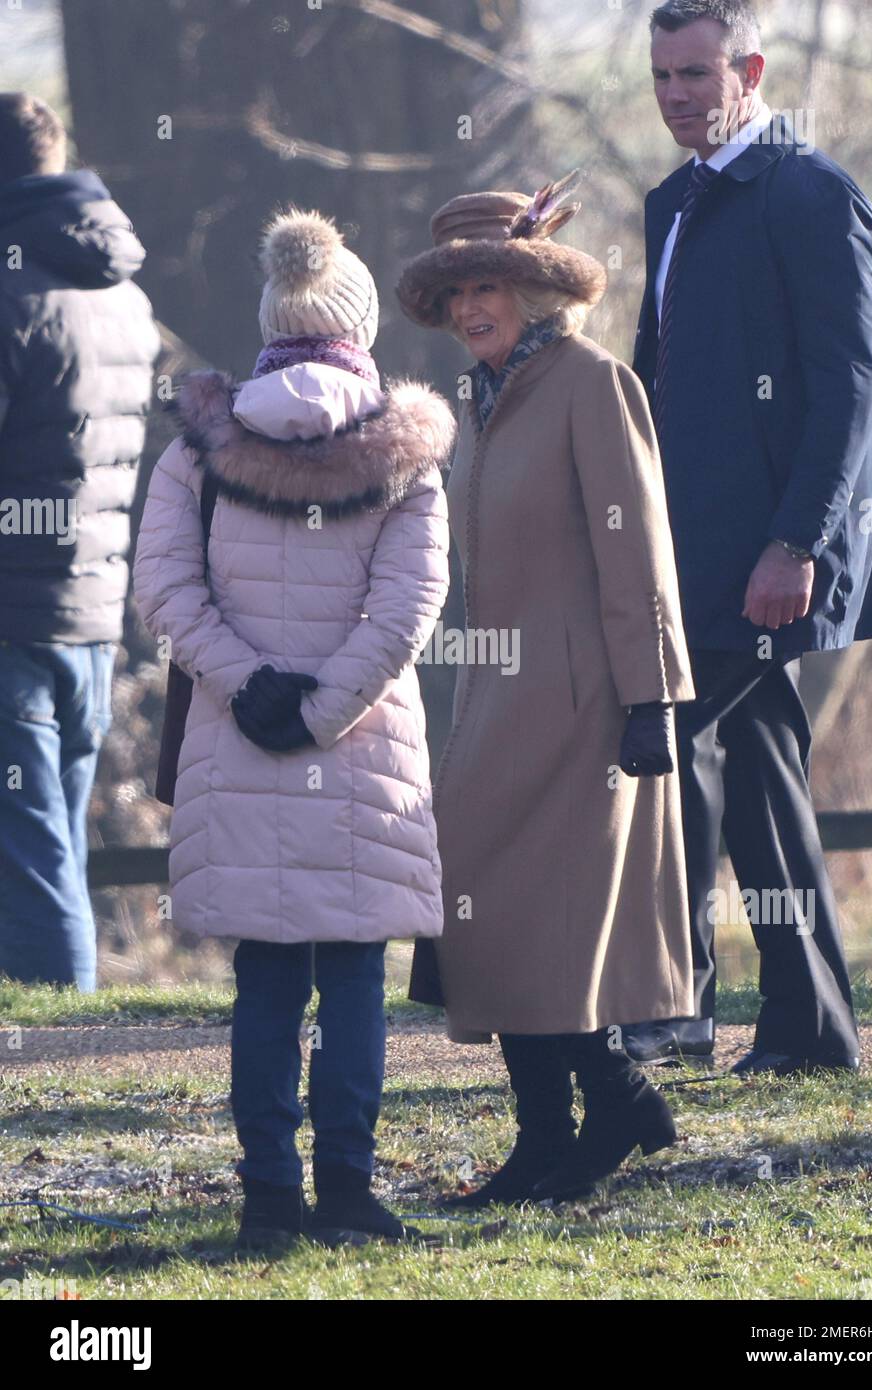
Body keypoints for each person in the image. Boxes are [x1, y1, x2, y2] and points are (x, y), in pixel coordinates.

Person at [133, 208, 453, 1250]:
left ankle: (268, 1198)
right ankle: (351, 1191)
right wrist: (325, 708)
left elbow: (164, 588)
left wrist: (250, 689)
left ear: (272, 317)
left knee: (268, 975)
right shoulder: (405, 453)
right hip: (362, 752)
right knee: (354, 972)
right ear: (360, 325)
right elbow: (408, 609)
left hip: (240, 739)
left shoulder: (201, 441)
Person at [395, 175, 697, 1206]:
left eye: (492, 286)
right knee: (487, 915)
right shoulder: (477, 404)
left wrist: (652, 695)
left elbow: (640, 551)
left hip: (585, 703)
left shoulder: (589, 381)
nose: (472, 308)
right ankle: (595, 1108)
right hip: (493, 698)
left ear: (534, 291)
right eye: (458, 294)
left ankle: (577, 1123)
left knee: (546, 923)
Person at [624, 0, 872, 1073]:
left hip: (777, 557)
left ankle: (677, 1005)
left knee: (673, 739)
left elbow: (849, 394)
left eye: (696, 72)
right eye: (661, 77)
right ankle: (811, 1024)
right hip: (690, 554)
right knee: (758, 759)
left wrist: (797, 544)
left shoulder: (810, 192)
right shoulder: (670, 203)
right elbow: (652, 380)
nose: (677, 94)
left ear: (750, 67)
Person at [0, 93, 160, 992]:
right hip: (90, 612)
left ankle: (44, 1057)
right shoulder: (123, 295)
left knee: (29, 857)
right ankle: (61, 1038)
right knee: (53, 828)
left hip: (12, 612)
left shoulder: (9, 288)